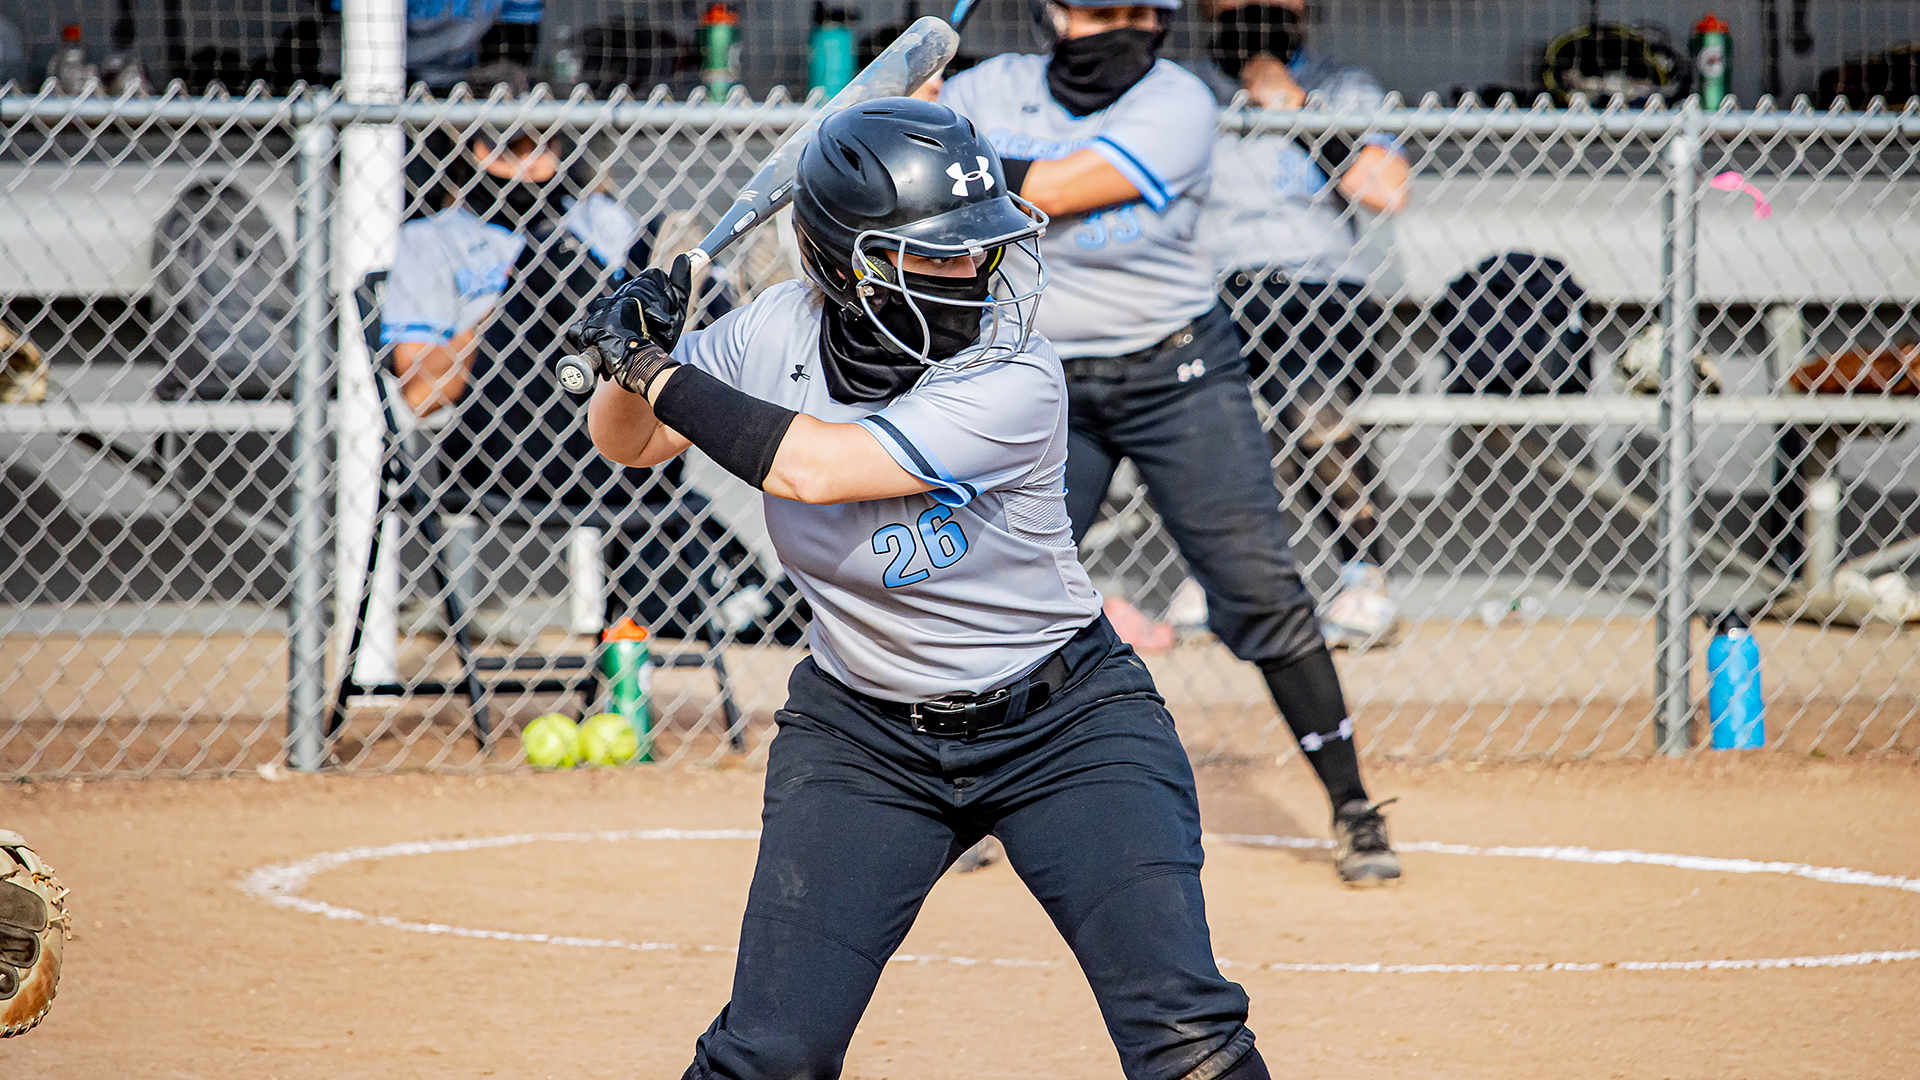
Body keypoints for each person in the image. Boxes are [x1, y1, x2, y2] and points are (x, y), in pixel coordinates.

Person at [574, 98, 1273, 1080]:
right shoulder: (778, 329)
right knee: (766, 1056)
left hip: (1065, 725)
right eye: (932, 256)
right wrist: (629, 357)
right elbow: (632, 443)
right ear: (844, 266)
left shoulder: (1017, 372)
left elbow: (812, 467)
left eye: (976, 250)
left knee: (1188, 1041)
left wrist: (656, 368)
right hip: (864, 738)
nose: (970, 276)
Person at [939, 0, 1400, 885]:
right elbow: (881, 171)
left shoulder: (1181, 101)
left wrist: (954, 157)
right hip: (1044, 382)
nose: (1112, 28)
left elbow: (1060, 188)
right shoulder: (988, 87)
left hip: (1177, 373)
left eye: (1132, 10)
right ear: (1050, 13)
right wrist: (913, 111)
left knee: (1259, 585)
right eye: (1092, 9)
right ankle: (983, 800)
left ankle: (1351, 804)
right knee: (1005, 589)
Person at [382, 125, 781, 644]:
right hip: (503, 448)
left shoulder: (602, 220)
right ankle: (733, 317)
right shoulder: (430, 240)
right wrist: (507, 310)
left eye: (541, 148)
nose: (529, 166)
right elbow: (421, 393)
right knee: (554, 262)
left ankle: (737, 319)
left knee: (631, 261)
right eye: (508, 147)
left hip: (624, 444)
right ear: (469, 151)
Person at [1200, 0, 1412, 648]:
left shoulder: (1341, 86)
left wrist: (1295, 108)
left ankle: (1365, 574)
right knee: (1191, 413)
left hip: (1317, 287)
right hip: (1209, 287)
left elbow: (1386, 188)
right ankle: (1214, 576)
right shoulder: (1181, 89)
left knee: (1310, 409)